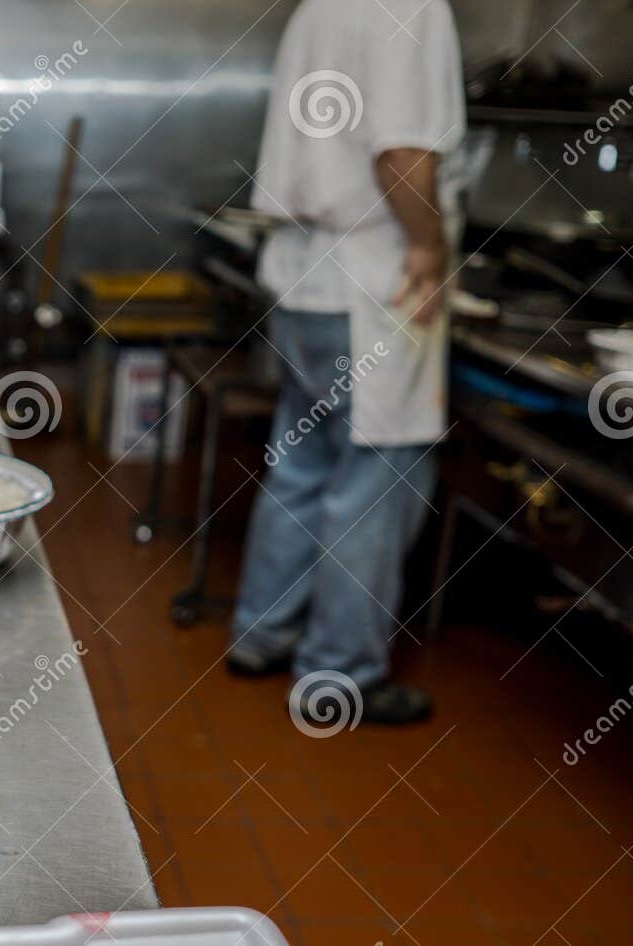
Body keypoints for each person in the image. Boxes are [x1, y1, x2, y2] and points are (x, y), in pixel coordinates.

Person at [226, 0, 466, 726]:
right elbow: (401, 153)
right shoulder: (413, 7)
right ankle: (342, 672)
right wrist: (430, 245)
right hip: (374, 280)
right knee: (377, 479)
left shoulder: (319, 7)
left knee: (302, 462)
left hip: (304, 275)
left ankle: (262, 633)